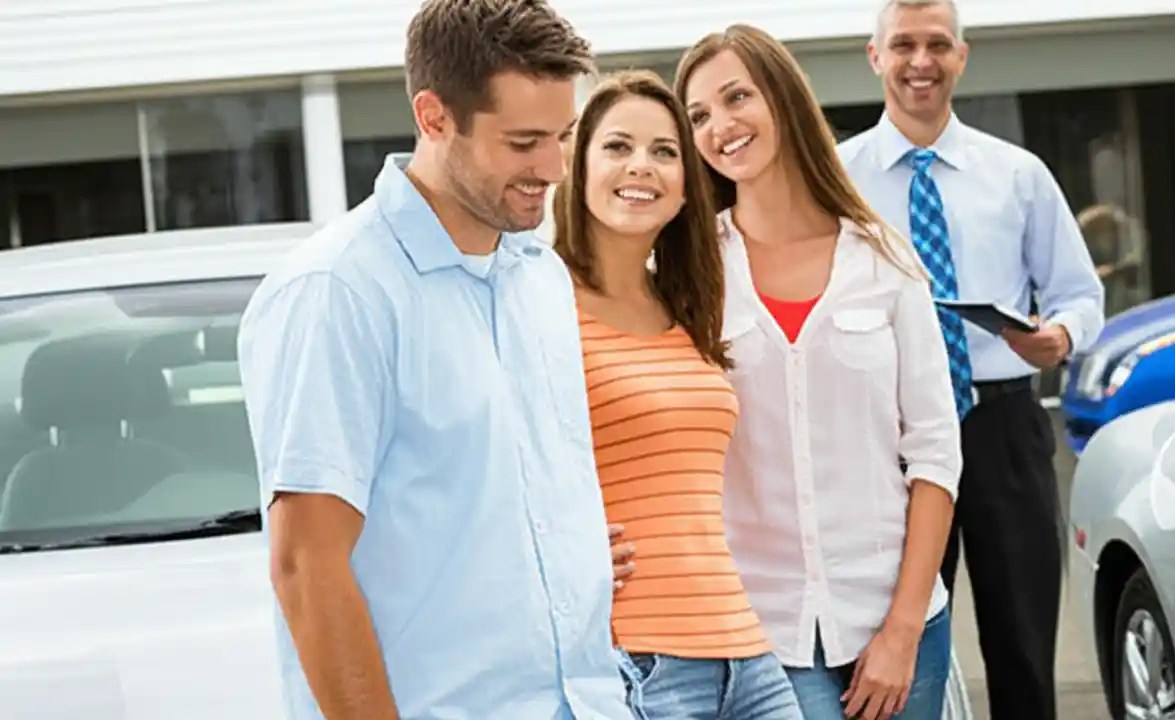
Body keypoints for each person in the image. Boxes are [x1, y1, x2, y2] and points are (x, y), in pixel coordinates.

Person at [236, 2, 630, 718]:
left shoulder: (540, 276)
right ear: (434, 115)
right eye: (524, 142)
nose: (555, 168)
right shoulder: (337, 291)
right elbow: (305, 567)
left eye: (564, 135)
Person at [675, 23, 963, 720]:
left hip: (900, 624)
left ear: (782, 97)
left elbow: (933, 453)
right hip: (759, 631)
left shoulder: (885, 259)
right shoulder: (687, 276)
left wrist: (901, 632)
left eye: (736, 97)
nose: (721, 126)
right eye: (699, 116)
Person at [836, 1, 1105, 718]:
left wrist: (1062, 339)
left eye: (936, 45)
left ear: (962, 55)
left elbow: (1079, 293)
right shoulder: (834, 178)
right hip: (884, 436)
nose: (919, 61)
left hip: (1001, 425)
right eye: (903, 46)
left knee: (1021, 641)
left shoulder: (1017, 174)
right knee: (894, 647)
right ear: (874, 56)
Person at [554, 69, 803, 720]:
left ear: (687, 184)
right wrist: (551, 548)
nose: (642, 166)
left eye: (665, 151)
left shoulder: (685, 306)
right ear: (576, 167)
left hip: (744, 649)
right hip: (637, 660)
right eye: (617, 146)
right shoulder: (538, 303)